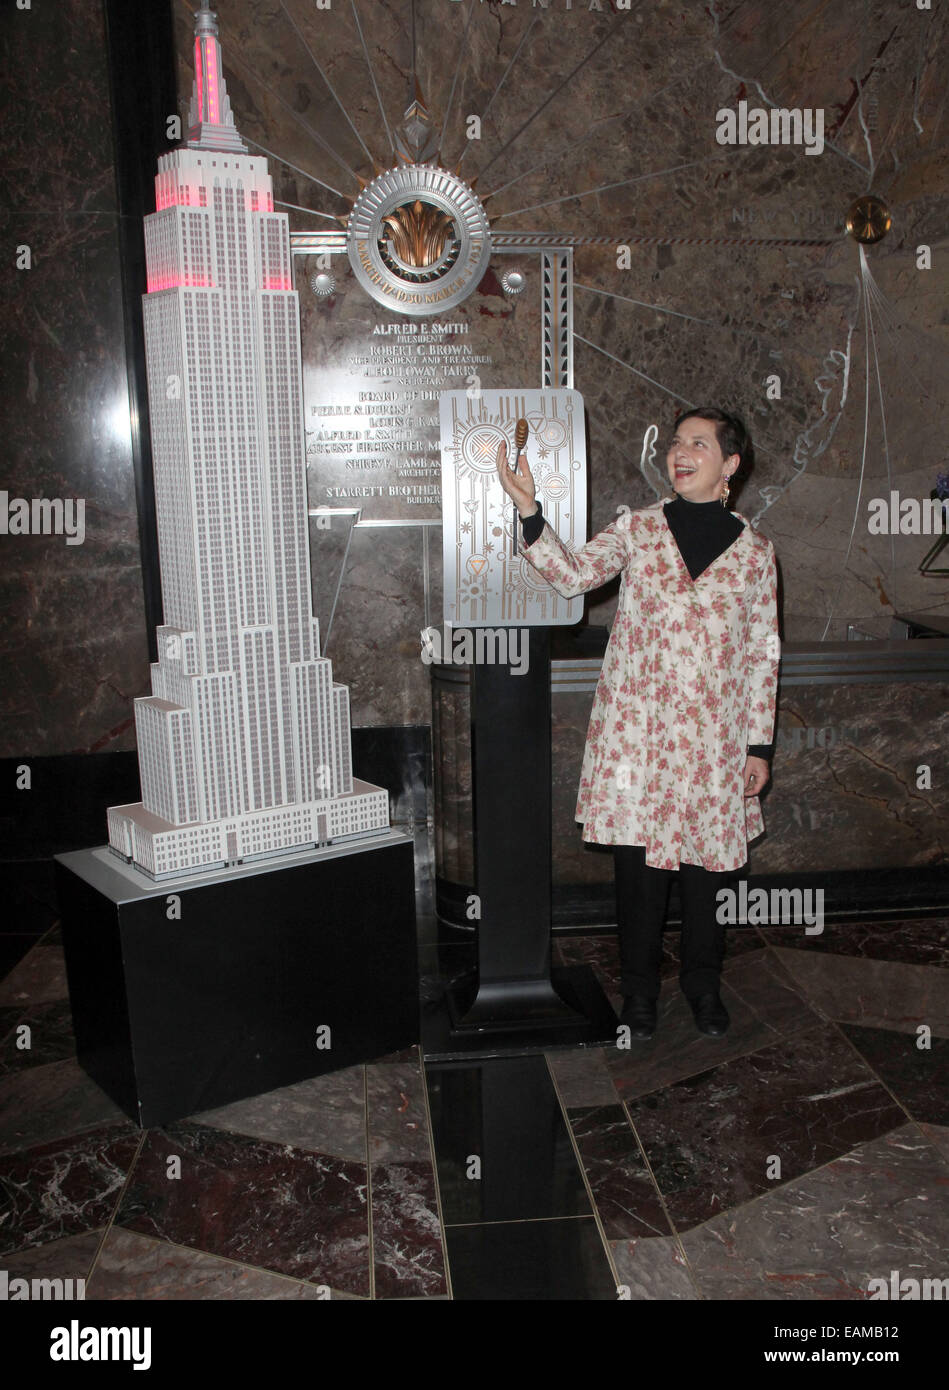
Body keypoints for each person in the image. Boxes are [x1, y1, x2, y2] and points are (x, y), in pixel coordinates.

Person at [495, 407, 780, 1039]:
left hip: (716, 743)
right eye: (677, 442)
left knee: (709, 876)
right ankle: (641, 994)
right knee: (641, 877)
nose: (681, 453)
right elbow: (572, 577)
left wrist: (759, 745)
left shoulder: (758, 555)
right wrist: (529, 510)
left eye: (698, 445)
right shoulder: (639, 531)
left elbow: (764, 652)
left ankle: (704, 986)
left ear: (729, 465)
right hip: (640, 738)